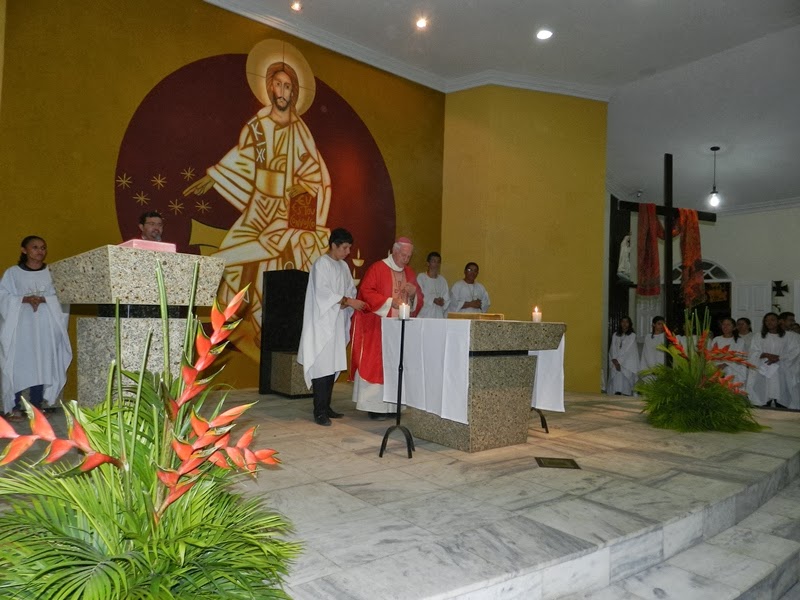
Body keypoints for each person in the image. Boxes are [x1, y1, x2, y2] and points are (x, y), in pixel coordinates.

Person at [183, 42, 331, 361]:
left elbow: (314, 171)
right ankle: (227, 324)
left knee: (275, 265)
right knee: (225, 259)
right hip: (258, 208)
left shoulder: (300, 131)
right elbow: (247, 158)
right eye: (277, 84)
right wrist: (216, 174)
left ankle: (266, 325)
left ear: (294, 92)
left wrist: (301, 185)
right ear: (268, 87)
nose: (282, 90)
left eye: (288, 85)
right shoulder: (258, 128)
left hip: (284, 212)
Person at [297, 228, 366, 426]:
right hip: (322, 324)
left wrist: (347, 301)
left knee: (331, 366)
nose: (347, 252)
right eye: (344, 248)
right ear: (333, 245)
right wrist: (346, 301)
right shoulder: (321, 264)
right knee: (321, 367)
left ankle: (327, 406)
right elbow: (323, 294)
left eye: (349, 248)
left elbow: (349, 290)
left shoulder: (343, 266)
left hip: (336, 323)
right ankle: (318, 411)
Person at [349, 237, 423, 419]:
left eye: (409, 256)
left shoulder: (410, 272)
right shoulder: (377, 268)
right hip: (378, 327)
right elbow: (366, 292)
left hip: (400, 329)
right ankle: (375, 407)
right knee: (377, 365)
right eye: (403, 255)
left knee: (396, 366)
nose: (406, 259)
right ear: (394, 251)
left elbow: (418, 299)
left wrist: (413, 295)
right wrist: (390, 302)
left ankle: (393, 406)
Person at [0, 236, 72, 419]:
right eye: (35, 247)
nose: (40, 251)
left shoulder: (52, 272)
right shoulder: (13, 273)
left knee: (41, 363)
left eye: (43, 248)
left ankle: (36, 405)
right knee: (17, 365)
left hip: (44, 328)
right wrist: (23, 299)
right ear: (24, 250)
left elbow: (63, 297)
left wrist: (44, 299)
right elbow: (3, 296)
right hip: (20, 328)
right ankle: (14, 404)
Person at [746, 312, 800, 409]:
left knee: (781, 395)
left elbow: (795, 351)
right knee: (763, 396)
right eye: (766, 320)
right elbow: (752, 352)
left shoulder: (789, 336)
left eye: (772, 320)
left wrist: (779, 358)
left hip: (781, 370)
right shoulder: (758, 336)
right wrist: (766, 354)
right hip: (764, 370)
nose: (769, 322)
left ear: (778, 321)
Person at [710, 317, 748, 387]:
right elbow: (711, 355)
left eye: (728, 325)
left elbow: (739, 357)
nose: (725, 327)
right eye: (723, 324)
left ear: (734, 328)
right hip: (716, 369)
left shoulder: (739, 341)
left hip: (733, 370)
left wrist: (726, 364)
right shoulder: (716, 339)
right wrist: (716, 365)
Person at [607, 316, 638, 396]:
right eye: (623, 322)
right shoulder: (615, 335)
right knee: (616, 386)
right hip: (615, 364)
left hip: (626, 365)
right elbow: (612, 348)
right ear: (620, 323)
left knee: (625, 386)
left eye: (626, 322)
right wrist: (614, 360)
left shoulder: (632, 336)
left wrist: (619, 361)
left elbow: (629, 351)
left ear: (629, 324)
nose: (624, 324)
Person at [416, 251, 449, 319]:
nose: (436, 264)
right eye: (434, 261)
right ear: (428, 263)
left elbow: (447, 298)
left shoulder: (442, 280)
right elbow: (419, 296)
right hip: (424, 315)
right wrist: (433, 300)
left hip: (438, 315)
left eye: (438, 262)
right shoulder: (421, 277)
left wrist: (443, 302)